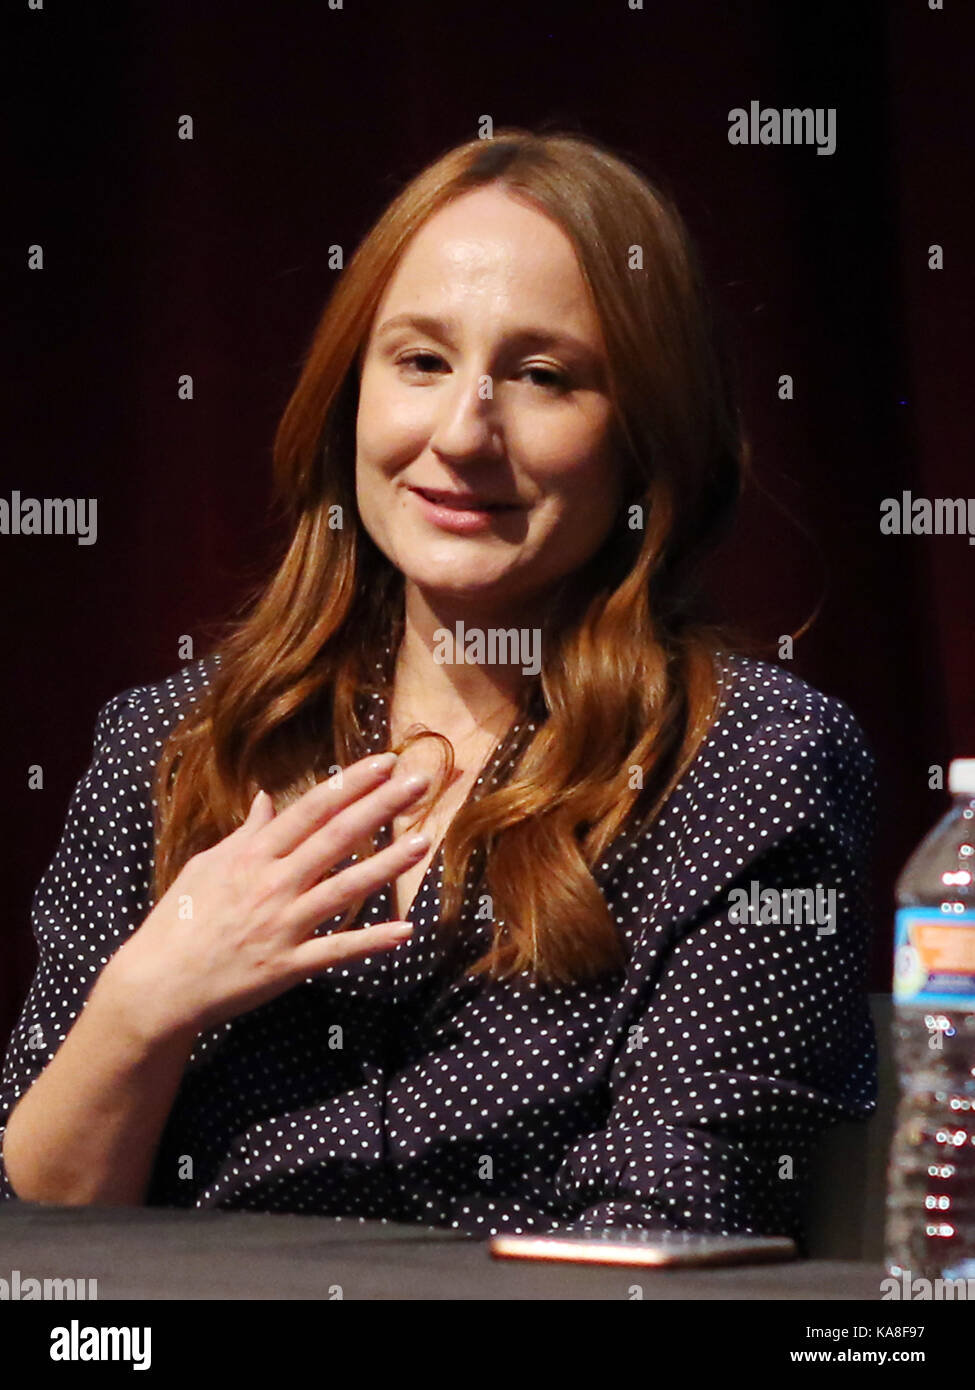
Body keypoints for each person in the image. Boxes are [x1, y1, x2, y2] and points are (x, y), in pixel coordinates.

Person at [0, 129, 877, 1247]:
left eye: (545, 376)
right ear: (349, 396)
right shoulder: (167, 744)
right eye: (420, 362)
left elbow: (673, 1224)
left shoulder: (749, 761)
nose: (462, 433)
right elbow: (40, 1245)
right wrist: (146, 1001)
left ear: (647, 435)